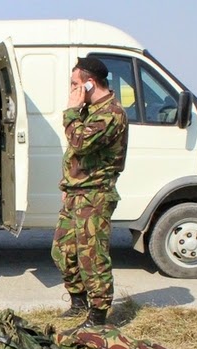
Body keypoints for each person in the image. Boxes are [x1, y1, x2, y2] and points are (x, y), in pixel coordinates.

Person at [51, 57, 129, 327]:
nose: (72, 90)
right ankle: (78, 303)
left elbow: (80, 143)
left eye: (75, 84)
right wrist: (67, 185)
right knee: (63, 251)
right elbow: (75, 156)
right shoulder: (89, 110)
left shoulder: (111, 113)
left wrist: (71, 112)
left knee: (92, 257)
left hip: (95, 195)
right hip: (77, 193)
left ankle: (97, 316)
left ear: (89, 83)